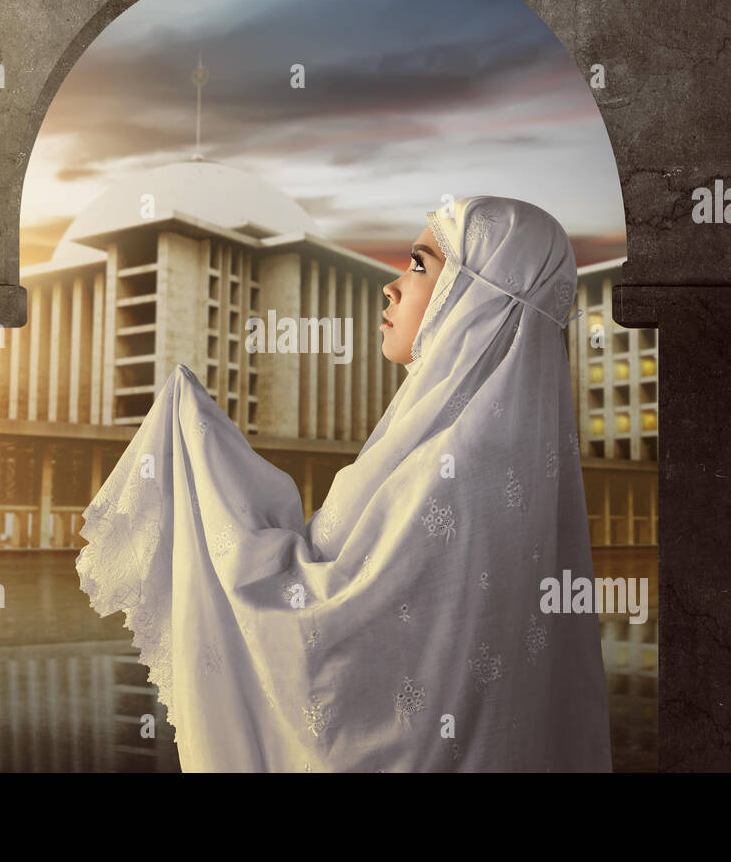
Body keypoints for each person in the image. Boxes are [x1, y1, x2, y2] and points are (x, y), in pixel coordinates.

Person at [75, 195, 612, 772]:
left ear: (477, 299)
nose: (392, 286)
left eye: (419, 264)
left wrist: (200, 454)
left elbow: (327, 627)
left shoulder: (453, 460)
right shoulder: (504, 457)